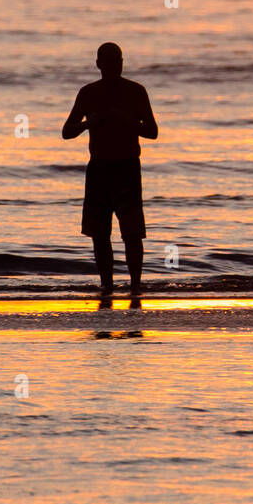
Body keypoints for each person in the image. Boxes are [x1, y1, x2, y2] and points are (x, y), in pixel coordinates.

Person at [62, 43, 158, 307]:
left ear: (122, 62)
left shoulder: (135, 91)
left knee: (132, 232)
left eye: (118, 61)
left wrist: (126, 120)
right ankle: (107, 285)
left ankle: (136, 286)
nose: (115, 66)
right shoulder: (89, 93)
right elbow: (67, 131)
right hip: (99, 169)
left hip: (127, 167)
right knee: (99, 233)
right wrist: (90, 123)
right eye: (109, 62)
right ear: (98, 65)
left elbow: (152, 131)